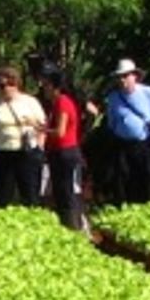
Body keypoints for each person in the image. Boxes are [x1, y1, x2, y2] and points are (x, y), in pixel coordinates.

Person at [101, 58, 150, 207]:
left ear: (134, 76)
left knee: (147, 177)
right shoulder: (114, 98)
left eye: (126, 76)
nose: (122, 80)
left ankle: (147, 205)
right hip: (123, 145)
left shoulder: (148, 93)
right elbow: (111, 122)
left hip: (144, 144)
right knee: (124, 177)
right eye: (120, 77)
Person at [0, 65, 48, 209]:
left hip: (26, 152)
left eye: (5, 85)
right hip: (2, 153)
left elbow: (42, 126)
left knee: (29, 193)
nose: (2, 89)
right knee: (1, 196)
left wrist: (39, 146)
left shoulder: (30, 102)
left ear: (15, 84)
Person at [41, 66, 90, 230]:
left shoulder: (63, 102)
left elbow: (60, 132)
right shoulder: (57, 103)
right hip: (58, 153)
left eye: (47, 85)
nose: (44, 89)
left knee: (66, 191)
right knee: (61, 191)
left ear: (55, 86)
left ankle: (73, 226)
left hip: (65, 152)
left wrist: (40, 129)